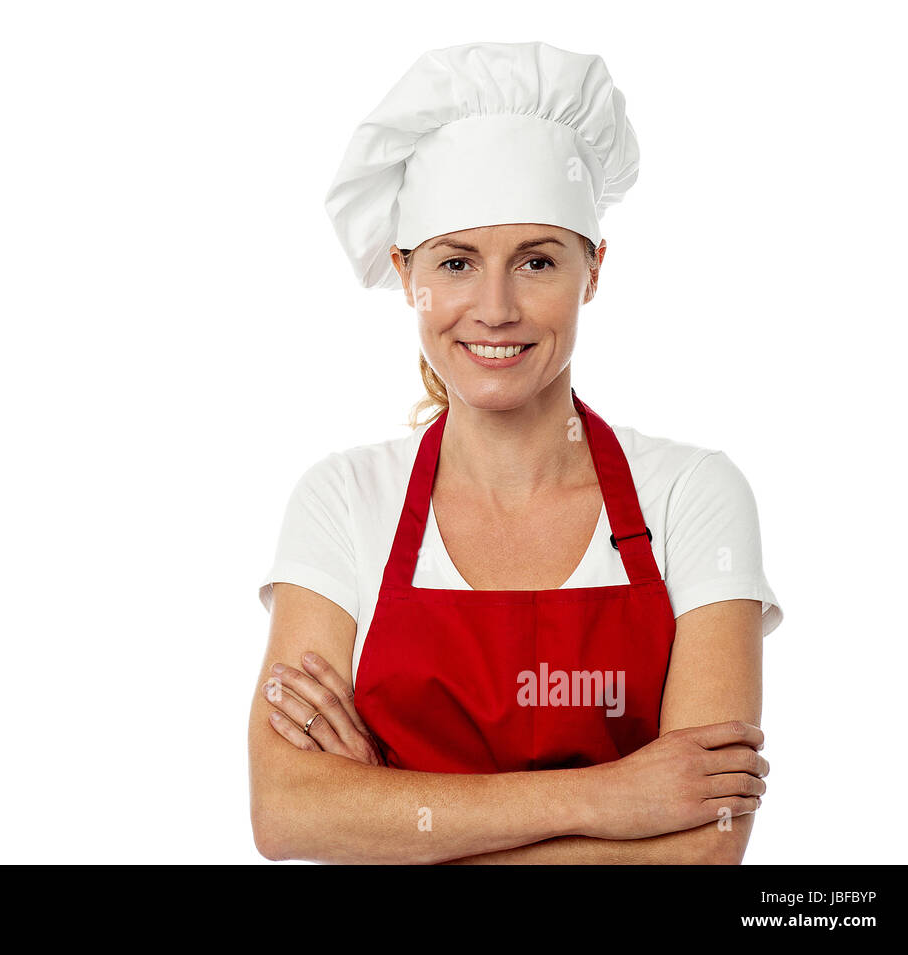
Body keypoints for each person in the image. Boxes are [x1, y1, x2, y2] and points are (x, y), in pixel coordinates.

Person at [248, 41, 783, 865]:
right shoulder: (343, 499)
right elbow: (286, 813)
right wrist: (613, 798)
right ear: (406, 273)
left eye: (537, 261)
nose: (493, 309)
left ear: (594, 271)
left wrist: (390, 820)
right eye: (456, 263)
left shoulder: (692, 494)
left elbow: (700, 850)